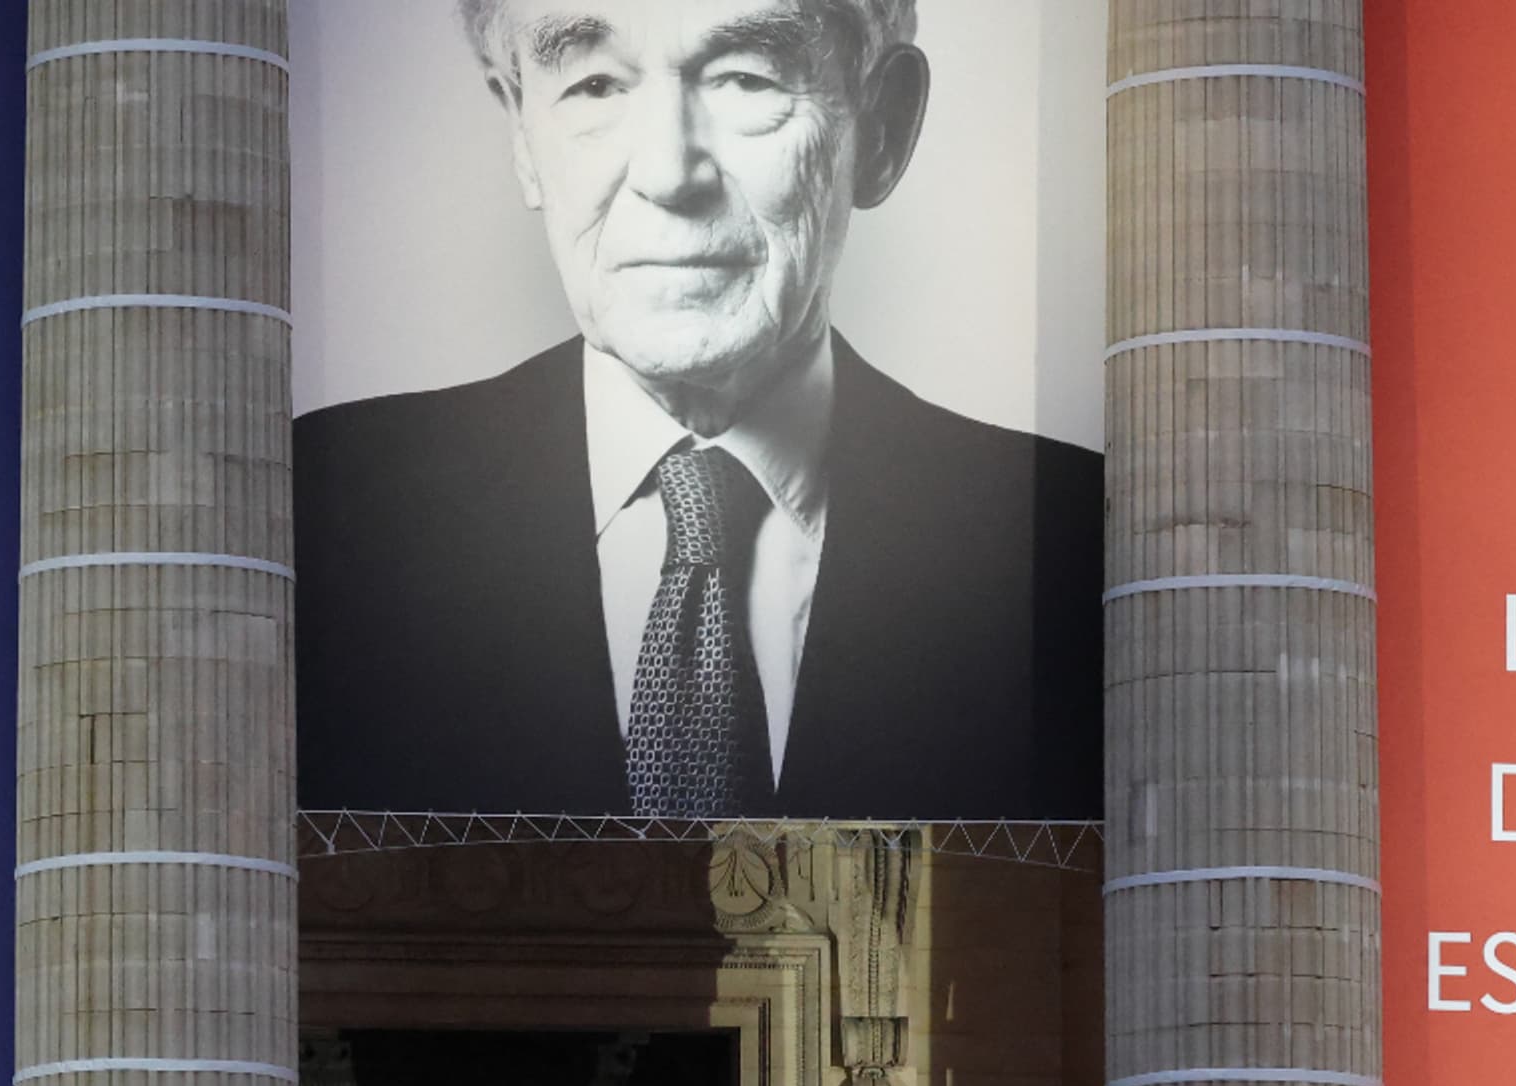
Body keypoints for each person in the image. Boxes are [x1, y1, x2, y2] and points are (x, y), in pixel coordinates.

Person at [292, 0, 1102, 824]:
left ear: (883, 127)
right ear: (522, 138)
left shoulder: (1080, 549)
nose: (670, 172)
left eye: (747, 79)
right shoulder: (312, 517)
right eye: (596, 85)